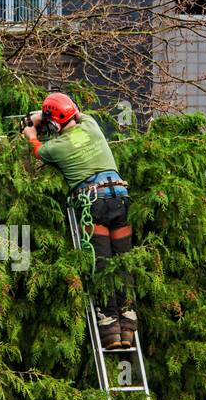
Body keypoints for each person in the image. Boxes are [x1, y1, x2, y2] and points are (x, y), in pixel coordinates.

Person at [21, 92, 137, 350]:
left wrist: (32, 134)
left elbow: (37, 149)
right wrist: (48, 115)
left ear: (52, 124)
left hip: (93, 203)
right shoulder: (92, 125)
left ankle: (109, 329)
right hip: (120, 198)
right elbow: (75, 115)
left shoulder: (55, 148)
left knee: (103, 264)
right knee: (123, 263)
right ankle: (128, 325)